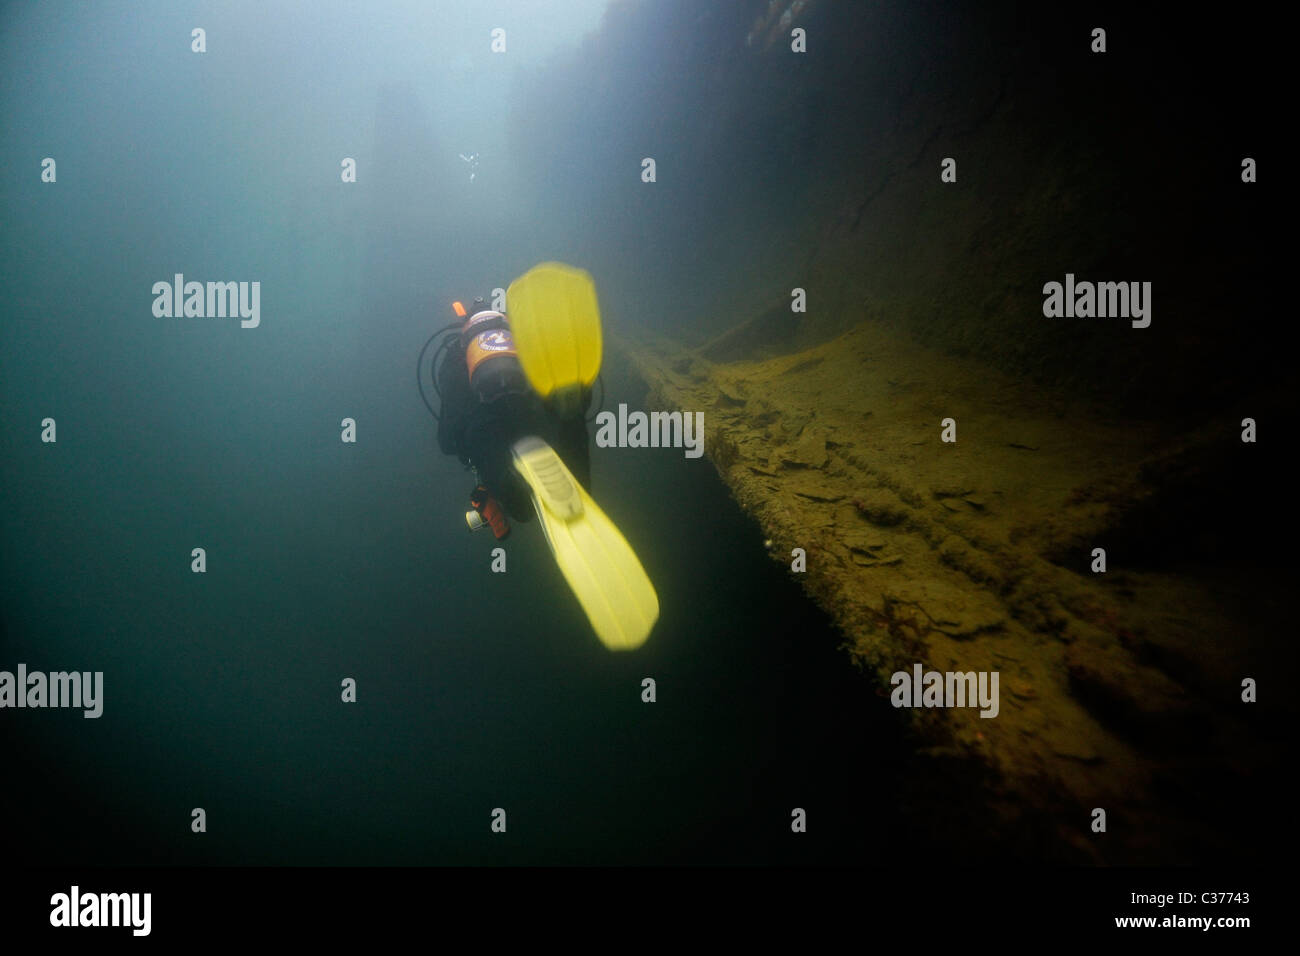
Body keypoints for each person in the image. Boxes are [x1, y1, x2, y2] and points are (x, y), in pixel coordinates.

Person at [419, 263, 659, 651]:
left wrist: (465, 444)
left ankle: (519, 480)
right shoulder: (516, 338)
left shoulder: (455, 355)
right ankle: (571, 415)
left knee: (524, 508)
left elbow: (448, 438)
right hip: (533, 412)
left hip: (486, 428)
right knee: (575, 479)